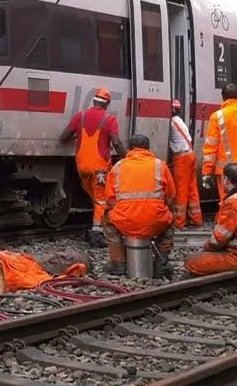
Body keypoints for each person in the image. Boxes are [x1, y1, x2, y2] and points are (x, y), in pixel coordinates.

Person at [102, 134, 177, 276]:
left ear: (129, 149)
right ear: (148, 148)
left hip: (125, 222)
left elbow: (110, 200)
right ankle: (161, 264)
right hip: (155, 221)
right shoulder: (160, 165)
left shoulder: (118, 167)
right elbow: (171, 196)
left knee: (107, 220)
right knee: (171, 220)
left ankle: (118, 264)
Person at [60, 88, 125, 247]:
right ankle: (96, 231)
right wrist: (126, 156)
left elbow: (64, 136)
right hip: (100, 168)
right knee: (101, 199)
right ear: (107, 104)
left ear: (94, 101)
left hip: (81, 166)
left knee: (95, 198)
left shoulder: (80, 116)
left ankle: (105, 222)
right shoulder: (110, 120)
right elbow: (116, 142)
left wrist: (78, 135)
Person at [185, 163, 237, 275]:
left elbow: (219, 238)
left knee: (191, 261)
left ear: (226, 179)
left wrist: (206, 248)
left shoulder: (234, 202)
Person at [168, 99, 203, 228]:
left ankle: (179, 222)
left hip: (182, 158)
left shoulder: (171, 123)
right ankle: (196, 219)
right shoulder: (179, 121)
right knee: (192, 188)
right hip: (190, 154)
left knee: (181, 190)